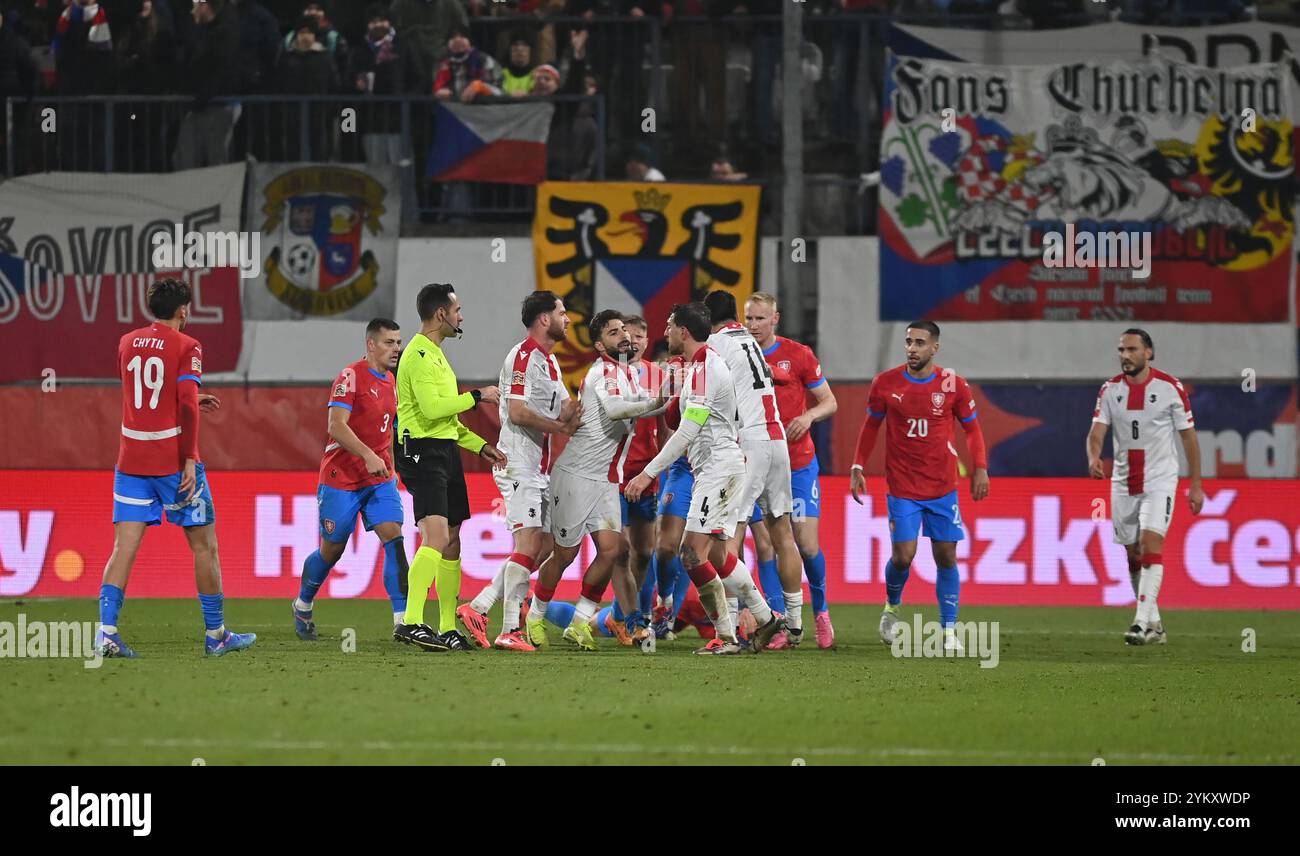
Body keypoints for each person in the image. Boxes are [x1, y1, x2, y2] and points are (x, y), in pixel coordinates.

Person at [99, 278, 255, 658]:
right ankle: (216, 634)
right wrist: (190, 457)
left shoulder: (126, 341)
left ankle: (106, 632)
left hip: (131, 461)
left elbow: (139, 392)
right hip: (171, 460)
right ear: (183, 309)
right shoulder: (188, 346)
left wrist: (182, 397)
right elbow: (185, 404)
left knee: (124, 547)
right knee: (204, 547)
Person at [624, 303, 784, 655]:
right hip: (713, 470)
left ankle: (726, 637)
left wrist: (646, 473)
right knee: (717, 553)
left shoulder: (706, 370)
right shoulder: (695, 367)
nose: (664, 333)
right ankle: (765, 617)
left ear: (683, 331)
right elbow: (664, 406)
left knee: (691, 555)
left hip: (719, 471)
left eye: (668, 326)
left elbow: (685, 433)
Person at [529, 310, 667, 650]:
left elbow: (644, 408)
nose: (624, 336)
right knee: (564, 556)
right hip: (576, 476)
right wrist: (658, 399)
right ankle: (533, 616)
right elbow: (616, 409)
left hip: (606, 479)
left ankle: (579, 624)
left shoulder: (629, 374)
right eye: (613, 332)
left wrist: (671, 397)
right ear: (598, 344)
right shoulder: (600, 372)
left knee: (614, 549)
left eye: (624, 330)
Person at [850, 320, 990, 651]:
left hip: (942, 485)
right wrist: (857, 465)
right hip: (902, 486)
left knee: (946, 555)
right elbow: (871, 426)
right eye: (909, 342)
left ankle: (949, 630)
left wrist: (980, 468)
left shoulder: (954, 385)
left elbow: (973, 429)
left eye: (920, 343)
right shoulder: (885, 384)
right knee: (904, 555)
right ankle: (891, 607)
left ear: (934, 348)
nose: (912, 348)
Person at [458, 291, 581, 651]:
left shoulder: (551, 363)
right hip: (518, 464)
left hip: (539, 470)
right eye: (562, 312)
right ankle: (510, 629)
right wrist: (559, 428)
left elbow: (568, 409)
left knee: (542, 545)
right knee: (528, 544)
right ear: (545, 319)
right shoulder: (523, 356)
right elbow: (516, 411)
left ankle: (479, 607)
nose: (567, 319)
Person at [392, 284, 506, 651]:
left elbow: (449, 422)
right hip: (420, 452)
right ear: (440, 314)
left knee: (452, 541)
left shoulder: (438, 356)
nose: (461, 317)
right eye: (457, 310)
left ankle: (444, 626)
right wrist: (478, 396)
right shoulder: (419, 355)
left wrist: (481, 445)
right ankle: (410, 621)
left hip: (444, 450)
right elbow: (430, 411)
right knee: (437, 538)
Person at [291, 319, 410, 643]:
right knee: (332, 550)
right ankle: (303, 603)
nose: (396, 348)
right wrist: (368, 456)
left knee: (394, 537)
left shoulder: (392, 382)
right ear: (371, 344)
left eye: (398, 342)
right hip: (340, 478)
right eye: (389, 342)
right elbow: (336, 425)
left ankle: (403, 621)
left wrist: (391, 468)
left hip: (378, 480)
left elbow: (388, 433)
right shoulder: (351, 375)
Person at [1087, 328, 1204, 646]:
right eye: (1121, 350)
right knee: (1132, 554)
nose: (1125, 355)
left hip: (1160, 480)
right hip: (1123, 481)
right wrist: (1094, 456)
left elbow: (1189, 438)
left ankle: (1140, 623)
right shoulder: (1110, 390)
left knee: (1152, 543)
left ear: (1149, 353)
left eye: (1132, 349)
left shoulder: (1170, 388)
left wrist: (1195, 484)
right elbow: (1097, 430)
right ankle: (1155, 625)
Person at [702, 290, 805, 645]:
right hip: (777, 440)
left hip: (750, 441)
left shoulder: (715, 344)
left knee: (728, 533)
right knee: (783, 533)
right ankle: (794, 624)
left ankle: (730, 627)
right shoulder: (751, 342)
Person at [744, 291, 839, 649]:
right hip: (754, 463)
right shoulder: (737, 355)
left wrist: (807, 416)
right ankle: (779, 621)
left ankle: (822, 612)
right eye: (748, 318)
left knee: (806, 544)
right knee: (765, 543)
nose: (753, 325)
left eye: (760, 319)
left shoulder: (798, 355)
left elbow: (830, 401)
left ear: (775, 319)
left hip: (796, 465)